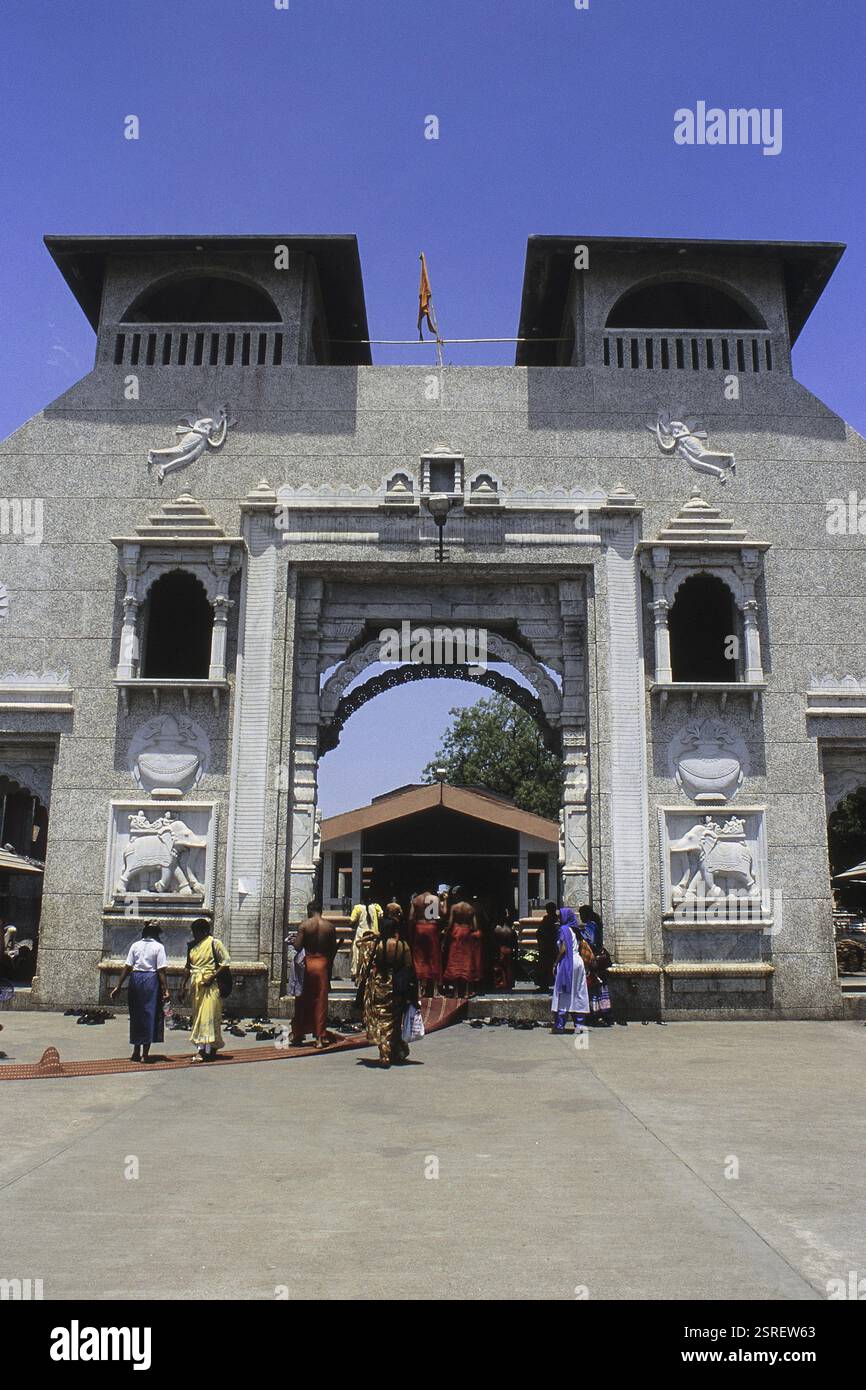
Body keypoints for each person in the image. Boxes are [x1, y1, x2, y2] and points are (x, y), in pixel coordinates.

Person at [357, 912, 418, 1067]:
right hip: (397, 985)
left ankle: (384, 1050)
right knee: (395, 1019)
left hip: (380, 984)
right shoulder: (403, 946)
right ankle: (394, 1048)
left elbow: (369, 956)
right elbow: (409, 966)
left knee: (381, 1018)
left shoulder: (379, 946)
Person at [110, 921, 170, 1063]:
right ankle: (145, 1054)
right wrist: (166, 989)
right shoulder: (159, 947)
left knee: (136, 1015)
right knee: (150, 1014)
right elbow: (161, 970)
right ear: (155, 934)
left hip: (136, 979)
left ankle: (136, 1051)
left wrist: (118, 986)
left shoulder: (135, 945)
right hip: (151, 980)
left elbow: (127, 967)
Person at [180, 917, 231, 1062]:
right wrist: (182, 986)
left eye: (196, 932)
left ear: (204, 932)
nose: (194, 935)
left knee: (208, 1017)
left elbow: (225, 962)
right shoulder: (192, 946)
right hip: (197, 986)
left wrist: (212, 977)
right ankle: (209, 1047)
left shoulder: (215, 943)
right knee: (198, 1017)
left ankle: (203, 1050)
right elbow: (188, 967)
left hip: (211, 986)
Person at [291, 902, 337, 1048]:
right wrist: (329, 969)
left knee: (302, 1000)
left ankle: (298, 1034)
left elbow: (298, 946)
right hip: (322, 964)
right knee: (321, 1002)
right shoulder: (329, 927)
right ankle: (319, 1038)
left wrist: (293, 940)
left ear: (309, 910)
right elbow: (332, 950)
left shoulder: (304, 925)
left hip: (307, 964)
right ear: (321, 910)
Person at [550, 907, 589, 1034]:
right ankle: (579, 1024)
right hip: (578, 963)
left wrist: (555, 962)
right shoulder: (575, 930)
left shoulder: (564, 929)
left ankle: (560, 1025)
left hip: (567, 962)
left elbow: (563, 948)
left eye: (560, 916)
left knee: (564, 993)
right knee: (578, 992)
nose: (558, 918)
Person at [579, 904, 614, 1027]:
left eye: (582, 914)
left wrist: (580, 934)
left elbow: (590, 941)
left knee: (594, 987)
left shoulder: (591, 926)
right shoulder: (594, 924)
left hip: (594, 961)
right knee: (599, 987)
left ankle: (596, 1014)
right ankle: (603, 1014)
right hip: (598, 961)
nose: (581, 917)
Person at [442, 900, 483, 998]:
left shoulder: (454, 907)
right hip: (467, 933)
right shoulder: (470, 908)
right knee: (467, 961)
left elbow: (451, 922)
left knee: (455, 960)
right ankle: (467, 992)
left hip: (456, 933)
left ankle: (456, 992)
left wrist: (445, 937)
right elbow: (475, 926)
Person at [408, 886, 443, 997]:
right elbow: (440, 914)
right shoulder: (435, 899)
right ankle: (435, 990)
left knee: (419, 957)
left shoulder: (416, 900)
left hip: (419, 927)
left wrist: (411, 931)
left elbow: (411, 918)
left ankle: (419, 990)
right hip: (432, 927)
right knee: (434, 957)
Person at [349, 894, 382, 980]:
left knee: (356, 953)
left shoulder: (358, 908)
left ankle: (355, 973)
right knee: (373, 954)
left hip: (361, 935)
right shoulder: (376, 907)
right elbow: (381, 916)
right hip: (373, 934)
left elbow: (352, 921)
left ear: (362, 900)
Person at [536, 902, 559, 991]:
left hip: (547, 946)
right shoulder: (553, 919)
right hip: (549, 946)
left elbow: (544, 932)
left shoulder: (549, 919)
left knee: (545, 967)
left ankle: (545, 985)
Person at [492, 917, 518, 991]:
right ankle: (509, 983)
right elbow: (515, 944)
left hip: (500, 950)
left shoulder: (496, 930)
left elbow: (493, 942)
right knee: (509, 968)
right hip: (509, 950)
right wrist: (515, 953)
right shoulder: (511, 930)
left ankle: (501, 983)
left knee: (499, 968)